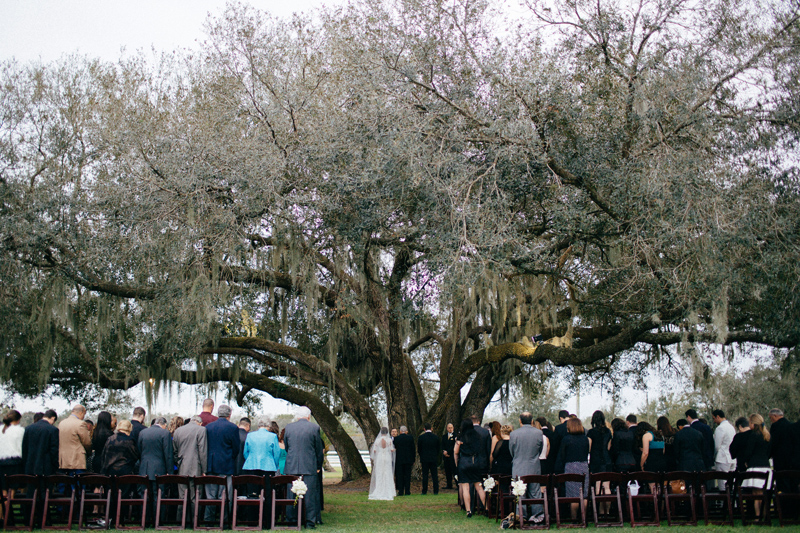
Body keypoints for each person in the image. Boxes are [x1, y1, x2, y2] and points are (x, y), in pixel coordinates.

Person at [284, 406, 323, 529]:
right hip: (309, 465)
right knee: (310, 495)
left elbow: (287, 446)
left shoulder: (289, 428)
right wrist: (318, 465)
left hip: (292, 465)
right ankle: (310, 522)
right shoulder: (314, 428)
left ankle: (292, 520)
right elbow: (318, 450)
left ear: (297, 416)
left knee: (291, 494)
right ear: (309, 416)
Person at [204, 405, 239, 525]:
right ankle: (224, 521)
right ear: (229, 414)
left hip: (211, 464)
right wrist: (230, 457)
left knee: (211, 495)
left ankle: (209, 520)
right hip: (226, 464)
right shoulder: (233, 428)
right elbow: (236, 448)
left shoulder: (208, 427)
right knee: (225, 495)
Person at [241, 417, 281, 524]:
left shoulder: (250, 435)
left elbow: (246, 452)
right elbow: (276, 453)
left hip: (251, 466)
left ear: (258, 425)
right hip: (268, 467)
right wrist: (275, 464)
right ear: (268, 426)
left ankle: (252, 520)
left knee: (252, 494)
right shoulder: (272, 436)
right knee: (267, 494)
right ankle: (266, 520)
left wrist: (250, 460)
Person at [138, 417, 174, 525]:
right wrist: (170, 471)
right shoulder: (165, 433)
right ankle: (158, 520)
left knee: (144, 495)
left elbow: (139, 450)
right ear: (163, 425)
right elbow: (168, 454)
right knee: (158, 495)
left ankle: (144, 519)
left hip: (144, 468)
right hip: (159, 469)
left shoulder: (143, 432)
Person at [510, 412, 544, 523]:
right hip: (534, 466)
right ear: (532, 421)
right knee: (535, 492)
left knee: (520, 492)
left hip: (518, 466)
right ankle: (537, 516)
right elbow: (540, 449)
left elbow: (512, 450)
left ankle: (521, 516)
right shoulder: (539, 433)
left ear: (520, 421)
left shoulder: (514, 434)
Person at [172, 415, 207, 518]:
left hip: (182, 467)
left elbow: (174, 451)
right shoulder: (201, 430)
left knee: (182, 497)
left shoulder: (178, 431)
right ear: (200, 423)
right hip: (196, 468)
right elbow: (202, 451)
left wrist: (179, 462)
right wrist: (204, 470)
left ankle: (180, 521)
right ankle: (194, 521)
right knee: (195, 497)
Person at [556, 418, 590, 520]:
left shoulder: (566, 439)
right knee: (584, 494)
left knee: (573, 495)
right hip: (584, 466)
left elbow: (562, 455)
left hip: (570, 466)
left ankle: (574, 518)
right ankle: (583, 518)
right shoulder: (585, 439)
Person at [740, 414, 772, 518]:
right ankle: (765, 514)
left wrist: (745, 461)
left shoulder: (753, 436)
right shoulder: (766, 436)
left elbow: (748, 452)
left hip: (755, 466)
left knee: (755, 494)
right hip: (766, 466)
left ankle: (758, 516)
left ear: (753, 424)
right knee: (764, 493)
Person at [454, 419, 487, 518]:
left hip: (464, 462)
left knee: (465, 487)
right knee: (479, 486)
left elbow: (456, 452)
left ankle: (468, 510)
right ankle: (486, 507)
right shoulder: (477, 436)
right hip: (475, 462)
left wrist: (457, 464)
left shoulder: (460, 437)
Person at [22, 409, 59, 476]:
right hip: (46, 467)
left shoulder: (28, 428)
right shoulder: (53, 430)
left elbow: (25, 448)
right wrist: (55, 466)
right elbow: (54, 450)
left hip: (30, 466)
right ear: (53, 418)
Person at [769, 408, 797, 493]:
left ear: (775, 416)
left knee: (782, 486)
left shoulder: (775, 426)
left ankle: (783, 504)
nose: (771, 420)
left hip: (780, 461)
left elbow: (773, 444)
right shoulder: (791, 425)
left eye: (770, 418)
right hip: (792, 461)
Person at [59, 404, 92, 475]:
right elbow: (87, 442)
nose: (83, 417)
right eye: (84, 414)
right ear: (81, 412)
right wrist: (89, 453)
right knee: (78, 483)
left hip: (63, 460)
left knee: (63, 482)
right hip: (77, 460)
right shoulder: (80, 424)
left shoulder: (62, 423)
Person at [587, 410, 611, 505]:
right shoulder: (608, 431)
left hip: (596, 460)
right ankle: (606, 511)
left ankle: (598, 510)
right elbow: (608, 447)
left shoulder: (591, 432)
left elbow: (589, 447)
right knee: (607, 486)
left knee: (598, 486)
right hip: (606, 459)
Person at [368, 427, 396, 501]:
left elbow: (374, 451)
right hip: (387, 457)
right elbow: (391, 449)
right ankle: (388, 490)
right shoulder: (389, 440)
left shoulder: (377, 440)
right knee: (387, 473)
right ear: (387, 433)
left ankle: (379, 489)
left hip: (380, 457)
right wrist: (394, 450)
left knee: (380, 473)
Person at [712, 409, 736, 490]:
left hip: (722, 458)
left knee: (722, 483)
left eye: (714, 418)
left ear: (718, 417)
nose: (714, 421)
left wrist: (714, 456)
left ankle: (724, 502)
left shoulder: (720, 428)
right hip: (732, 458)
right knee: (731, 482)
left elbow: (717, 445)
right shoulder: (731, 427)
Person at [417, 423, 441, 495]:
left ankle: (424, 491)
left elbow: (419, 449)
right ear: (431, 429)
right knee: (434, 475)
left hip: (424, 458)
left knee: (425, 475)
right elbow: (438, 448)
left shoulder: (421, 438)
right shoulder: (436, 437)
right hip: (433, 458)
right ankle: (436, 490)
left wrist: (422, 455)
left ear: (424, 429)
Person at [0, 409, 24, 477]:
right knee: (14, 485)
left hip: (1, 461)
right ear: (18, 420)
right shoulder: (19, 430)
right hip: (15, 462)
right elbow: (21, 446)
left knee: (3, 486)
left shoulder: (1, 429)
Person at [393, 425, 415, 496]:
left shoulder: (396, 439)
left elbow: (394, 448)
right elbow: (413, 449)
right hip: (408, 460)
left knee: (400, 476)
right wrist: (413, 459)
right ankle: (407, 491)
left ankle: (401, 491)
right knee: (407, 476)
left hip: (399, 460)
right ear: (406, 431)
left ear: (400, 432)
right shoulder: (410, 438)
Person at [442, 423, 457, 489]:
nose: (450, 429)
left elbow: (454, 445)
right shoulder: (444, 436)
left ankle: (457, 484)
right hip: (446, 457)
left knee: (454, 471)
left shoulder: (455, 436)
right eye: (449, 427)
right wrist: (444, 451)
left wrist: (448, 452)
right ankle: (449, 484)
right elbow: (442, 445)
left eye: (451, 427)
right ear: (447, 428)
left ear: (453, 428)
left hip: (452, 456)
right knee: (447, 471)